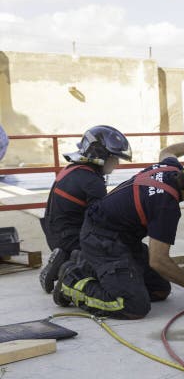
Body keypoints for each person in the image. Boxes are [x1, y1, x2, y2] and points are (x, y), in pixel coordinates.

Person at [53, 118, 184, 319]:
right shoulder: (166, 207)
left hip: (120, 237)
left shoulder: (172, 170)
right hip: (101, 240)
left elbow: (168, 151)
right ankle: (70, 283)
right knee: (133, 305)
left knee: (159, 290)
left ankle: (89, 265)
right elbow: (158, 260)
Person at [39, 126, 132, 293]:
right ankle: (69, 267)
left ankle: (64, 258)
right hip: (70, 238)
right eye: (114, 159)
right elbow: (103, 223)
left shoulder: (73, 169)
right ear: (101, 156)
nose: (117, 164)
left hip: (56, 234)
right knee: (115, 258)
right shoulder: (92, 182)